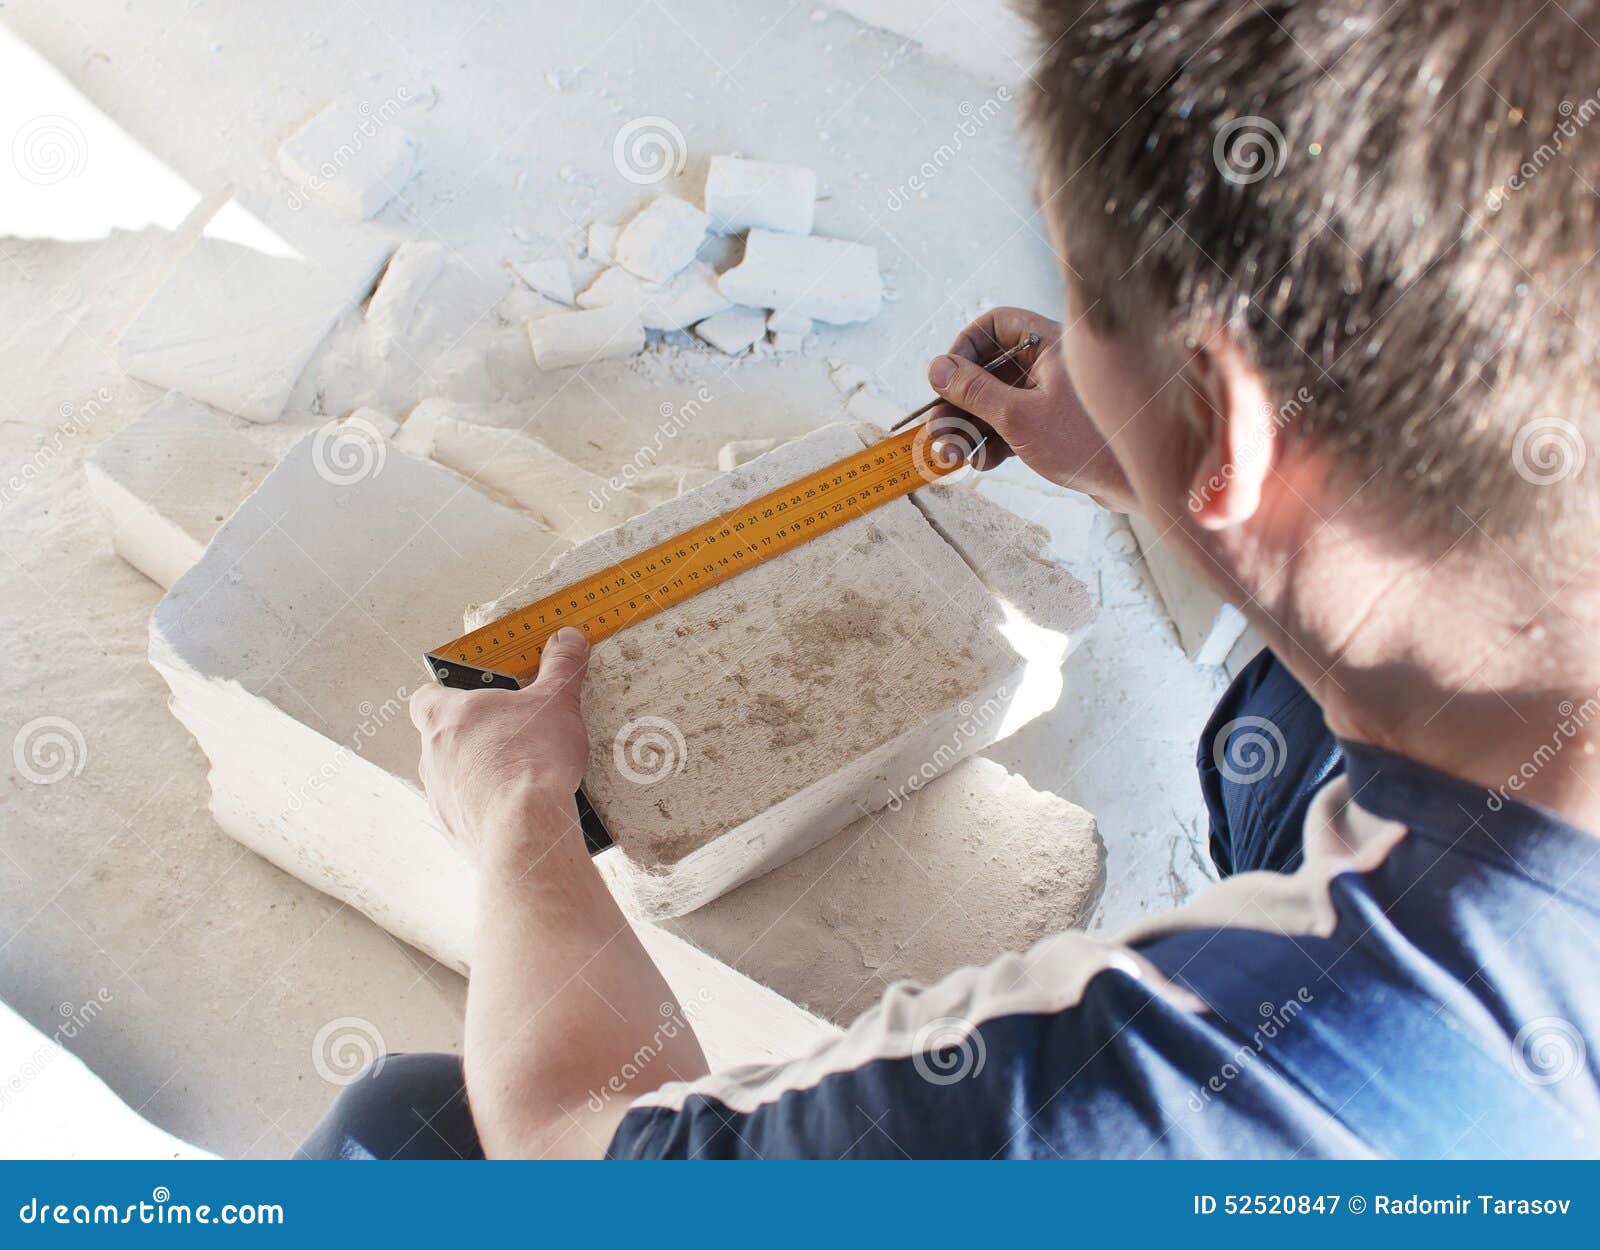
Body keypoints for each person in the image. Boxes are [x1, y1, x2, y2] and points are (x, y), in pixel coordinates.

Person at [300, 0, 1600, 1159]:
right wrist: (1162, 457)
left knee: (403, 1134)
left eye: (1086, 305)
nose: (1073, 336)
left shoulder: (1156, 1096)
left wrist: (520, 815)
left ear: (1235, 419)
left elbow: (576, 1153)